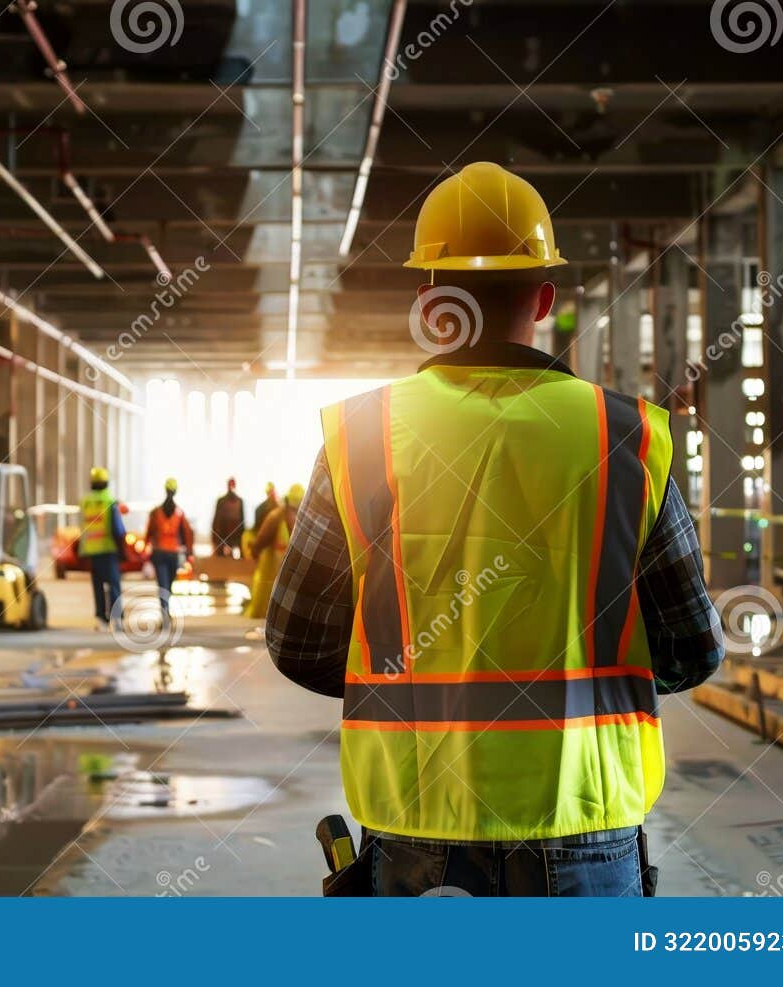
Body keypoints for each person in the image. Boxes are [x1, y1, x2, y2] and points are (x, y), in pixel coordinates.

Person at [264, 162, 722, 897]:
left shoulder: (361, 437)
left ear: (430, 298)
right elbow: (693, 647)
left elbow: (298, 642)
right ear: (543, 298)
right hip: (587, 831)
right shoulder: (625, 437)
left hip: (419, 830)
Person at [245, 483, 302, 621]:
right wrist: (255, 549)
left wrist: (255, 548)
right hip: (276, 564)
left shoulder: (292, 516)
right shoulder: (277, 516)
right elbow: (263, 536)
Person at [78, 466, 125, 631]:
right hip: (108, 550)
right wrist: (123, 550)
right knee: (113, 584)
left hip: (91, 551)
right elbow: (118, 530)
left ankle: (101, 619)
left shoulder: (85, 502)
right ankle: (117, 618)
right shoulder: (109, 502)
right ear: (106, 483)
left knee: (97, 585)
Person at [145, 477, 195, 614]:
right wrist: (189, 552)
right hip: (173, 553)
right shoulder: (179, 513)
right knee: (169, 584)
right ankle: (166, 609)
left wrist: (145, 548)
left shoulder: (155, 512)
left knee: (163, 583)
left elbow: (149, 531)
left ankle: (165, 609)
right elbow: (188, 533)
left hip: (159, 553)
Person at [210, 478, 245, 558]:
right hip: (223, 536)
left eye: (232, 485)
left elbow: (242, 522)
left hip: (233, 537)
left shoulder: (239, 501)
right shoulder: (222, 501)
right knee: (221, 560)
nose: (231, 487)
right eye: (230, 484)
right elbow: (217, 521)